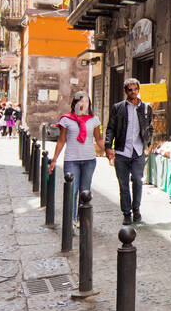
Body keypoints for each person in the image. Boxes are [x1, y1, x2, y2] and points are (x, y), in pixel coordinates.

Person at [50, 92, 104, 224]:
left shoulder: (94, 120)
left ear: (89, 104)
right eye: (80, 101)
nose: (83, 104)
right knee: (72, 190)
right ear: (75, 104)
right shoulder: (66, 119)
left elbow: (98, 139)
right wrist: (54, 160)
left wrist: (109, 151)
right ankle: (71, 220)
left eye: (85, 101)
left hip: (89, 160)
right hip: (71, 160)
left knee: (85, 191)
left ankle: (82, 219)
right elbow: (61, 140)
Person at [106, 78, 154, 225]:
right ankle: (126, 213)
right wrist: (108, 146)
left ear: (138, 90)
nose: (133, 92)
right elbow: (111, 128)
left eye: (135, 89)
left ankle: (136, 209)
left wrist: (148, 143)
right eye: (130, 89)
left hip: (138, 151)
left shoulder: (146, 108)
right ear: (125, 91)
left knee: (138, 182)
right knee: (123, 184)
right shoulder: (118, 107)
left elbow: (150, 127)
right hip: (122, 151)